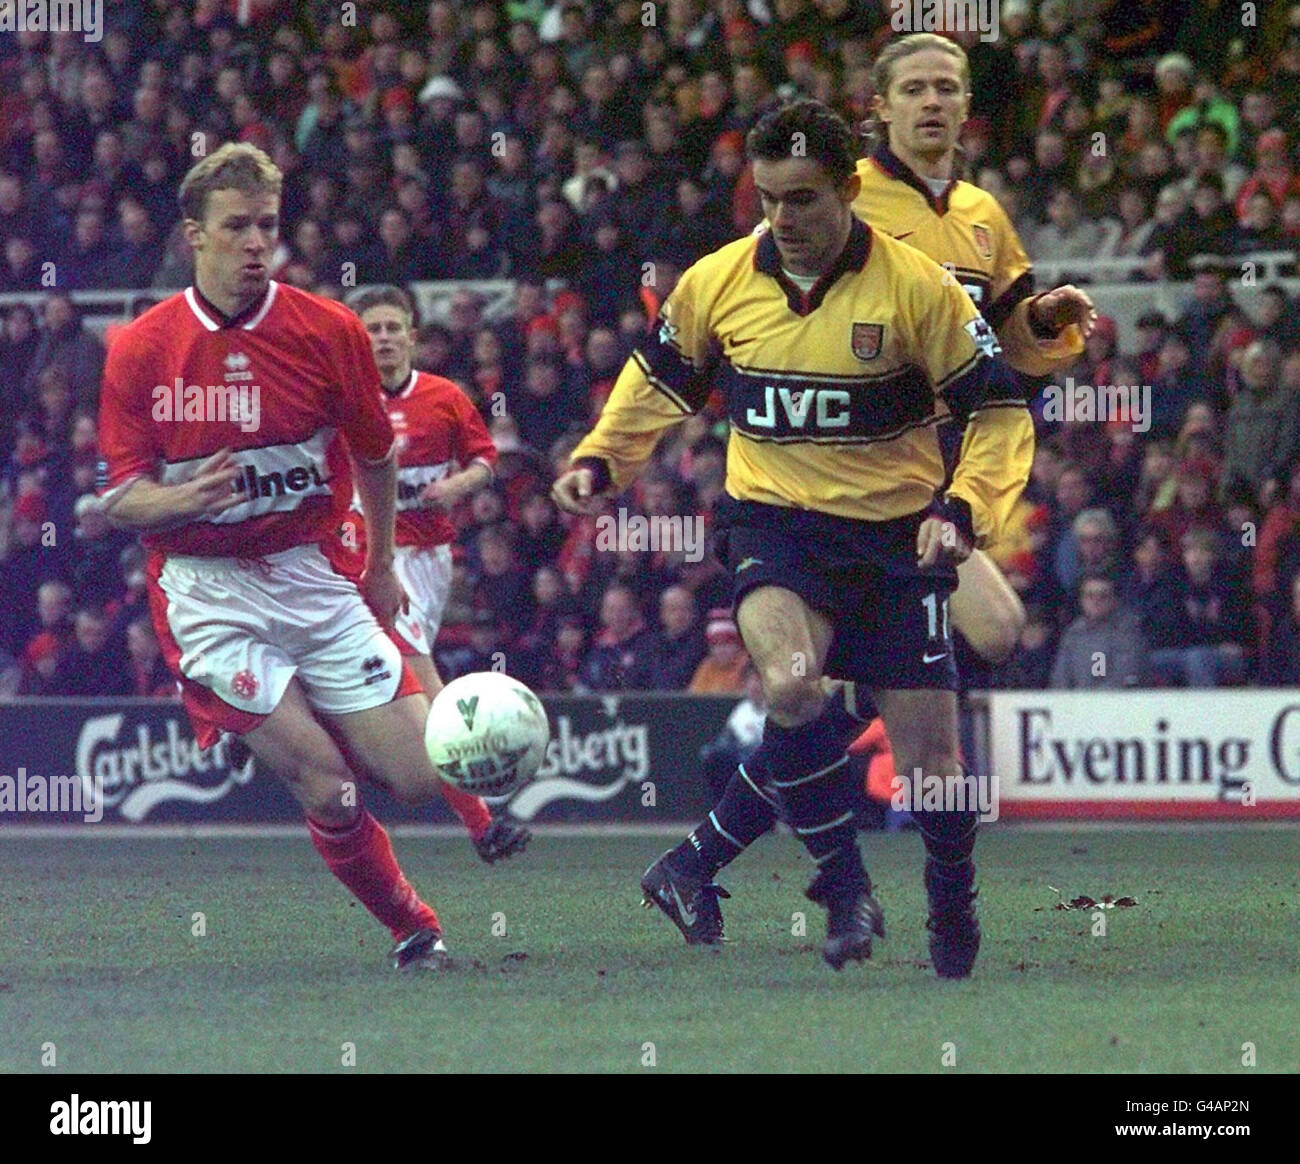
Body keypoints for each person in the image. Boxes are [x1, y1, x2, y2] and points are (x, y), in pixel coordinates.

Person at [552, 99, 1032, 976]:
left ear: (849, 189)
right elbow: (657, 382)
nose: (783, 218)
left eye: (802, 198)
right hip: (775, 524)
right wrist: (599, 462)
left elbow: (997, 411)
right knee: (792, 684)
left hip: (895, 536)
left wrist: (962, 508)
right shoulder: (717, 281)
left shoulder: (918, 287)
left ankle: (950, 894)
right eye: (768, 198)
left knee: (934, 769)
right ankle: (845, 886)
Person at [98, 143, 453, 971]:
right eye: (237, 227)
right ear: (195, 234)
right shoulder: (141, 349)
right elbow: (123, 494)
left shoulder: (330, 331)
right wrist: (182, 501)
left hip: (310, 573)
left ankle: (333, 713)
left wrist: (382, 565)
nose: (257, 242)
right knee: (328, 785)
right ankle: (414, 929)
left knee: (420, 776)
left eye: (268, 225)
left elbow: (375, 455)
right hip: (205, 593)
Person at [338, 284, 531, 864]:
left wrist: (456, 485)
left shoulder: (445, 397)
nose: (384, 338)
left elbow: (487, 460)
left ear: (413, 337)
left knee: (413, 694)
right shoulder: (342, 401)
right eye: (372, 329)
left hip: (426, 564)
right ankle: (482, 824)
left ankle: (245, 725)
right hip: (365, 559)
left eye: (394, 328)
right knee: (424, 690)